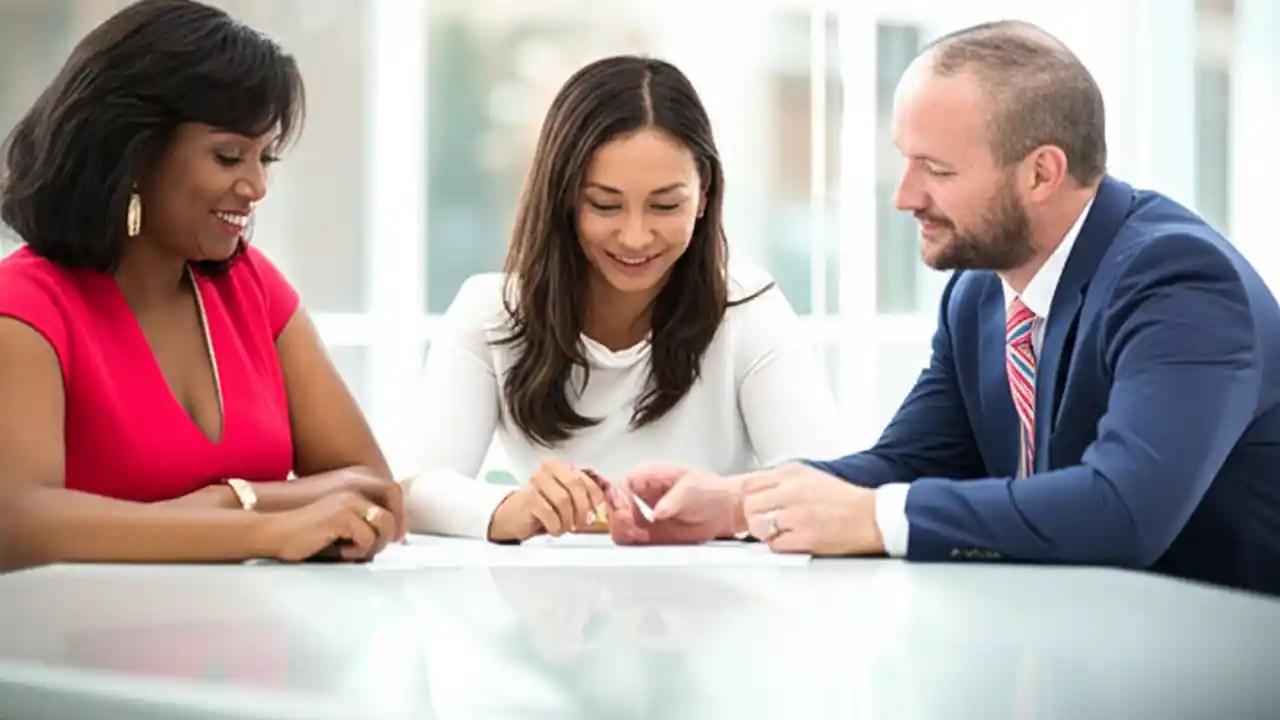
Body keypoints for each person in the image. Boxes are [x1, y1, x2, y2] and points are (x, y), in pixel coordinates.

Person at [625, 21, 1280, 595]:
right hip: (1076, 643)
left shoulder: (1180, 281)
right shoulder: (978, 295)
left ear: (1041, 173)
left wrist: (875, 519)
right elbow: (906, 463)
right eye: (905, 162)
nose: (904, 197)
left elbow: (1123, 510)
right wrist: (738, 504)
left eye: (936, 169)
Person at [0, 0, 405, 570]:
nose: (257, 186)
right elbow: (17, 523)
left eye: (266, 158)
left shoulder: (253, 287)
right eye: (230, 157)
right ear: (133, 151)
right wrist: (262, 528)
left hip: (254, 626)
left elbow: (372, 490)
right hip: (90, 628)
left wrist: (230, 499)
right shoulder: (26, 305)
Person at [403, 55, 843, 543]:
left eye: (666, 205)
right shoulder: (492, 313)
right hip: (553, 591)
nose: (635, 237)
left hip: (714, 589)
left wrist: (726, 506)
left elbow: (824, 482)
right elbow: (417, 490)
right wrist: (509, 508)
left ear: (703, 195)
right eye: (605, 204)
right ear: (564, 198)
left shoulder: (747, 310)